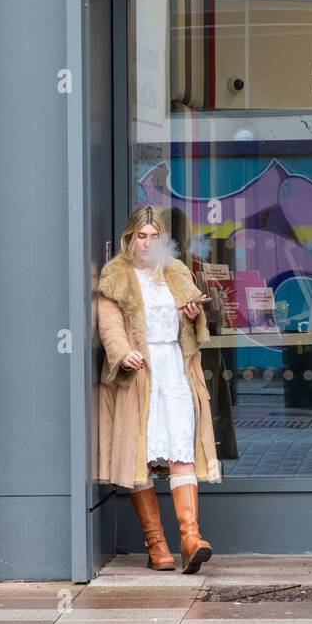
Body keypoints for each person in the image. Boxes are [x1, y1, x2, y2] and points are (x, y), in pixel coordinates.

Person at [96, 205, 220, 573]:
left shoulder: (177, 273)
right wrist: (122, 354)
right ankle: (157, 545)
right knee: (143, 454)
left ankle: (190, 538)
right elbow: (109, 326)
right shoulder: (115, 275)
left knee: (182, 447)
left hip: (176, 370)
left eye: (154, 236)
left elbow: (196, 327)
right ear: (129, 238)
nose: (148, 243)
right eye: (141, 236)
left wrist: (195, 314)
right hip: (141, 372)